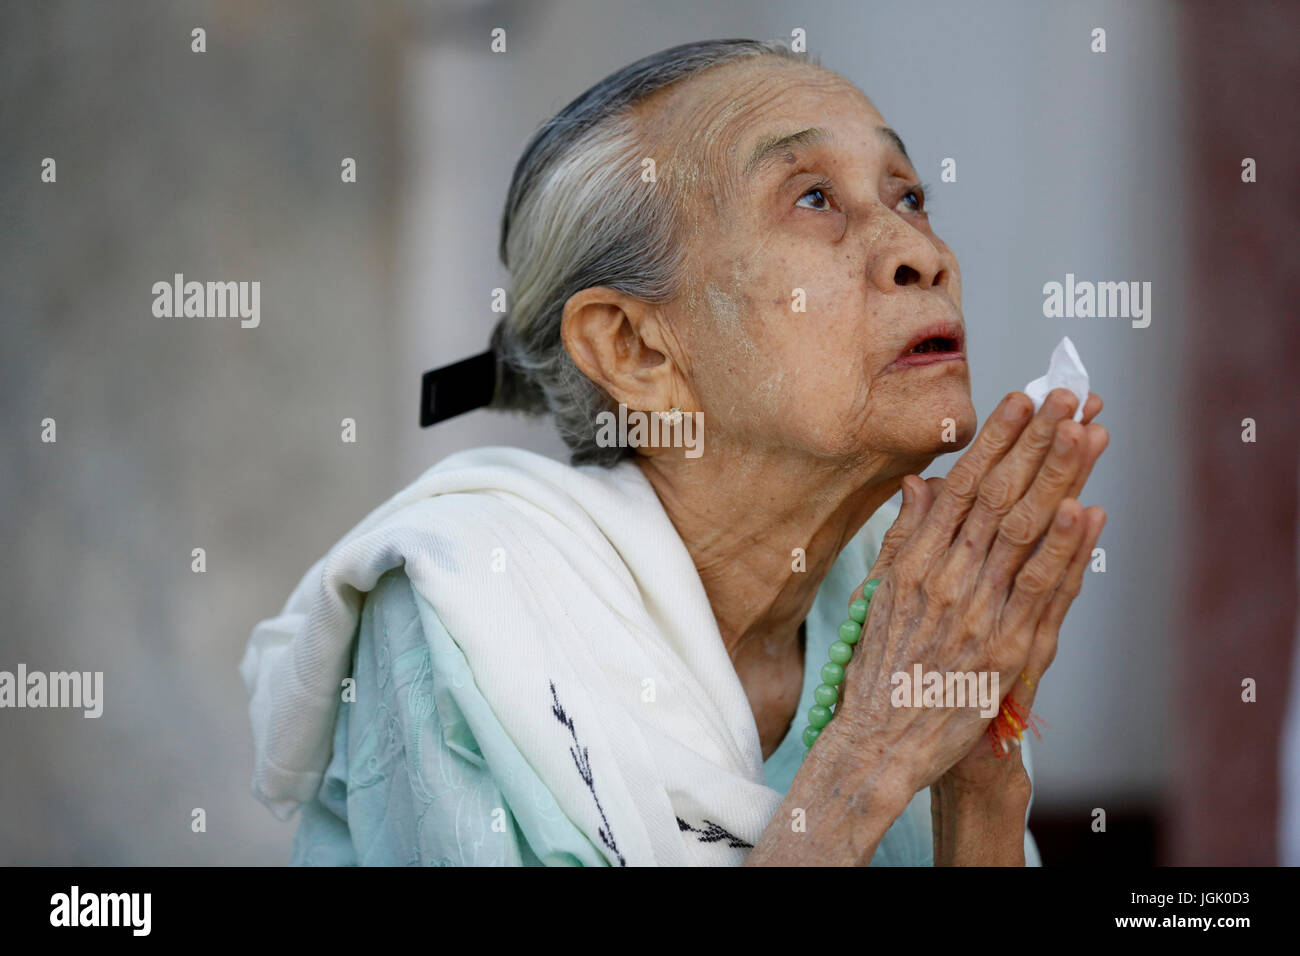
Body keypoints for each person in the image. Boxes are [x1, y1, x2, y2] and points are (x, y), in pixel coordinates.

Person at [240, 38, 1108, 866]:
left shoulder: (915, 597)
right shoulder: (471, 605)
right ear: (635, 350)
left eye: (909, 196)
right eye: (813, 199)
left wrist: (979, 770)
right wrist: (875, 751)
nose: (921, 255)